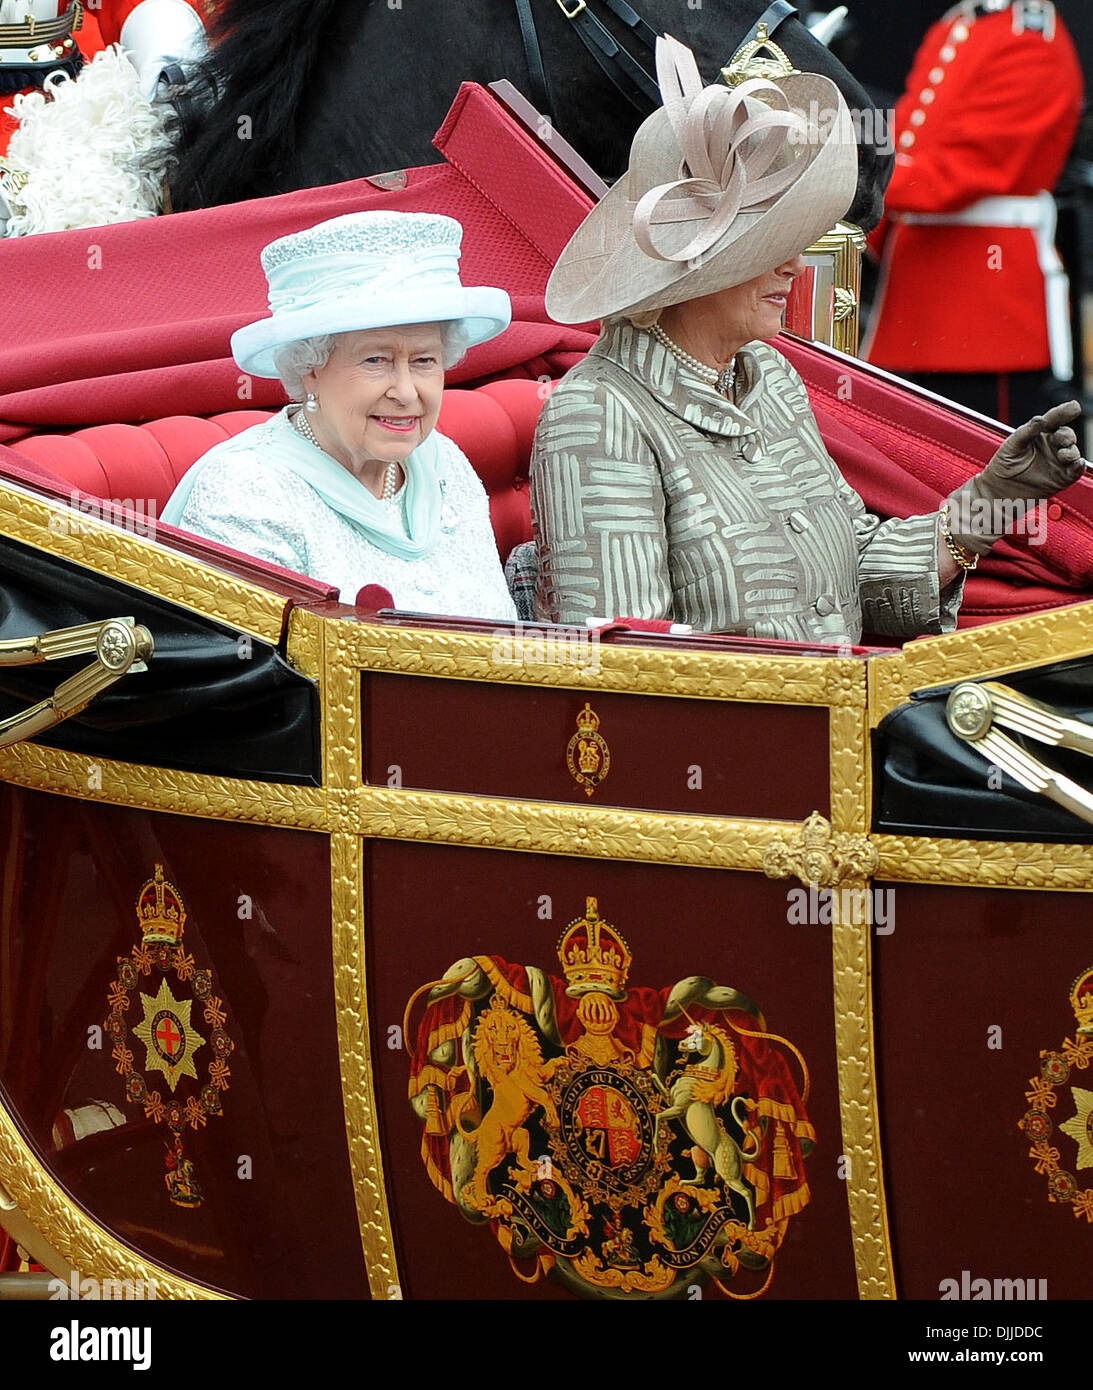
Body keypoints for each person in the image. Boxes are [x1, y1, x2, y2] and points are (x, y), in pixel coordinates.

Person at [530, 35, 1085, 645]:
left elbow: (856, 578)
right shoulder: (599, 414)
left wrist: (993, 501)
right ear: (689, 271)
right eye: (765, 245)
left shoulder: (770, 378)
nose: (795, 264)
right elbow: (632, 666)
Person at [162, 211, 519, 622]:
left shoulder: (445, 462)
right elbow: (259, 679)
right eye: (375, 360)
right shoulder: (247, 491)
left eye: (424, 360)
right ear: (309, 367)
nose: (405, 392)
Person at [861, 0, 1084, 424]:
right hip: (910, 299)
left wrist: (851, 176)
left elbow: (965, 171)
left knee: (992, 475)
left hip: (984, 309)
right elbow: (909, 138)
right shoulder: (958, 24)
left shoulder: (1031, 38)